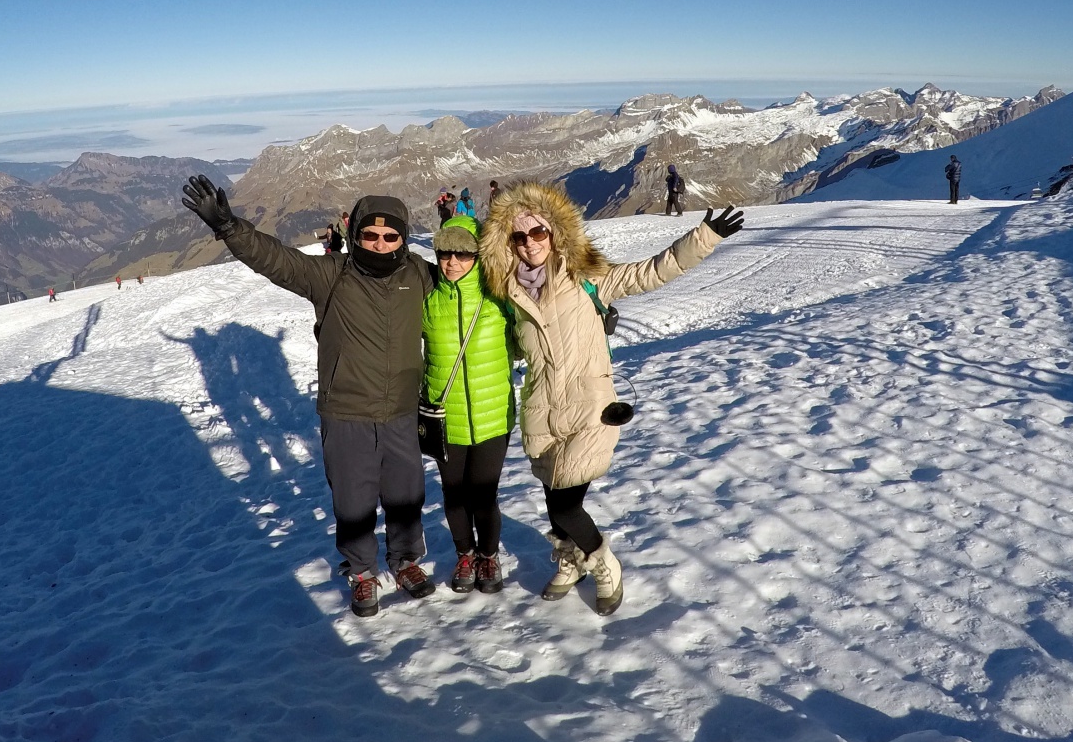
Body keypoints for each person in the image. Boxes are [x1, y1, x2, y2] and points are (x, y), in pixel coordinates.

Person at [479, 182, 744, 615]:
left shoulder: (588, 277)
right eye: (518, 237)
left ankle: (603, 562)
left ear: (555, 232)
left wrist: (704, 236)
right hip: (542, 410)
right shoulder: (508, 295)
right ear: (507, 244)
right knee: (552, 495)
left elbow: (651, 270)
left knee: (567, 504)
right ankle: (571, 562)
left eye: (538, 233)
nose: (530, 244)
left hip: (589, 406)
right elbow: (499, 347)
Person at [183, 174, 439, 617]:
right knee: (353, 500)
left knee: (406, 494)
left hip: (400, 408)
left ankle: (406, 562)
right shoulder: (330, 276)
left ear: (402, 237)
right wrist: (229, 228)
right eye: (370, 235)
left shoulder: (418, 274)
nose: (379, 243)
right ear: (356, 234)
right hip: (346, 410)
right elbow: (276, 260)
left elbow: (470, 280)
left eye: (390, 235)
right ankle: (361, 573)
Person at [422, 215, 516, 594]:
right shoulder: (427, 301)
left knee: (484, 493)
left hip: (493, 414)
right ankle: (465, 553)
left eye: (463, 253)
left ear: (479, 255)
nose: (453, 262)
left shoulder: (500, 297)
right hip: (446, 418)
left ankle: (488, 555)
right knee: (453, 493)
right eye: (445, 253)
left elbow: (536, 332)